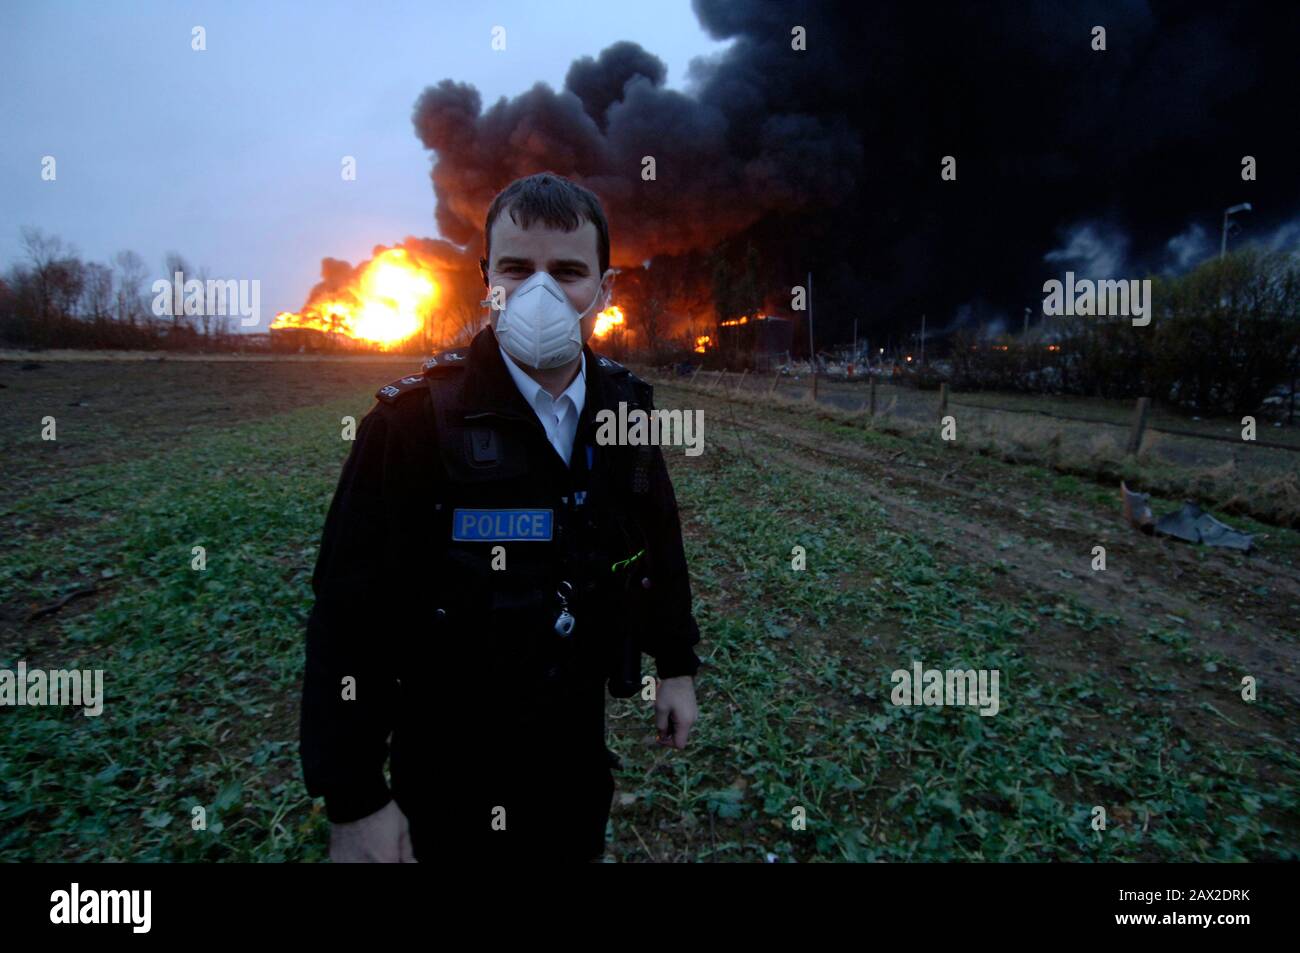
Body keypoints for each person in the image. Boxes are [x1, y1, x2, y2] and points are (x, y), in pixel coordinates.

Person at [299, 171, 701, 863]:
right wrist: (355, 798)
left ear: (604, 288)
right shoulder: (411, 425)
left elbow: (656, 539)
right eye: (517, 268)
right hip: (447, 764)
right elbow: (347, 617)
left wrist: (677, 665)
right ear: (487, 279)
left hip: (576, 750)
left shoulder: (625, 410)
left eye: (568, 271)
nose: (540, 291)